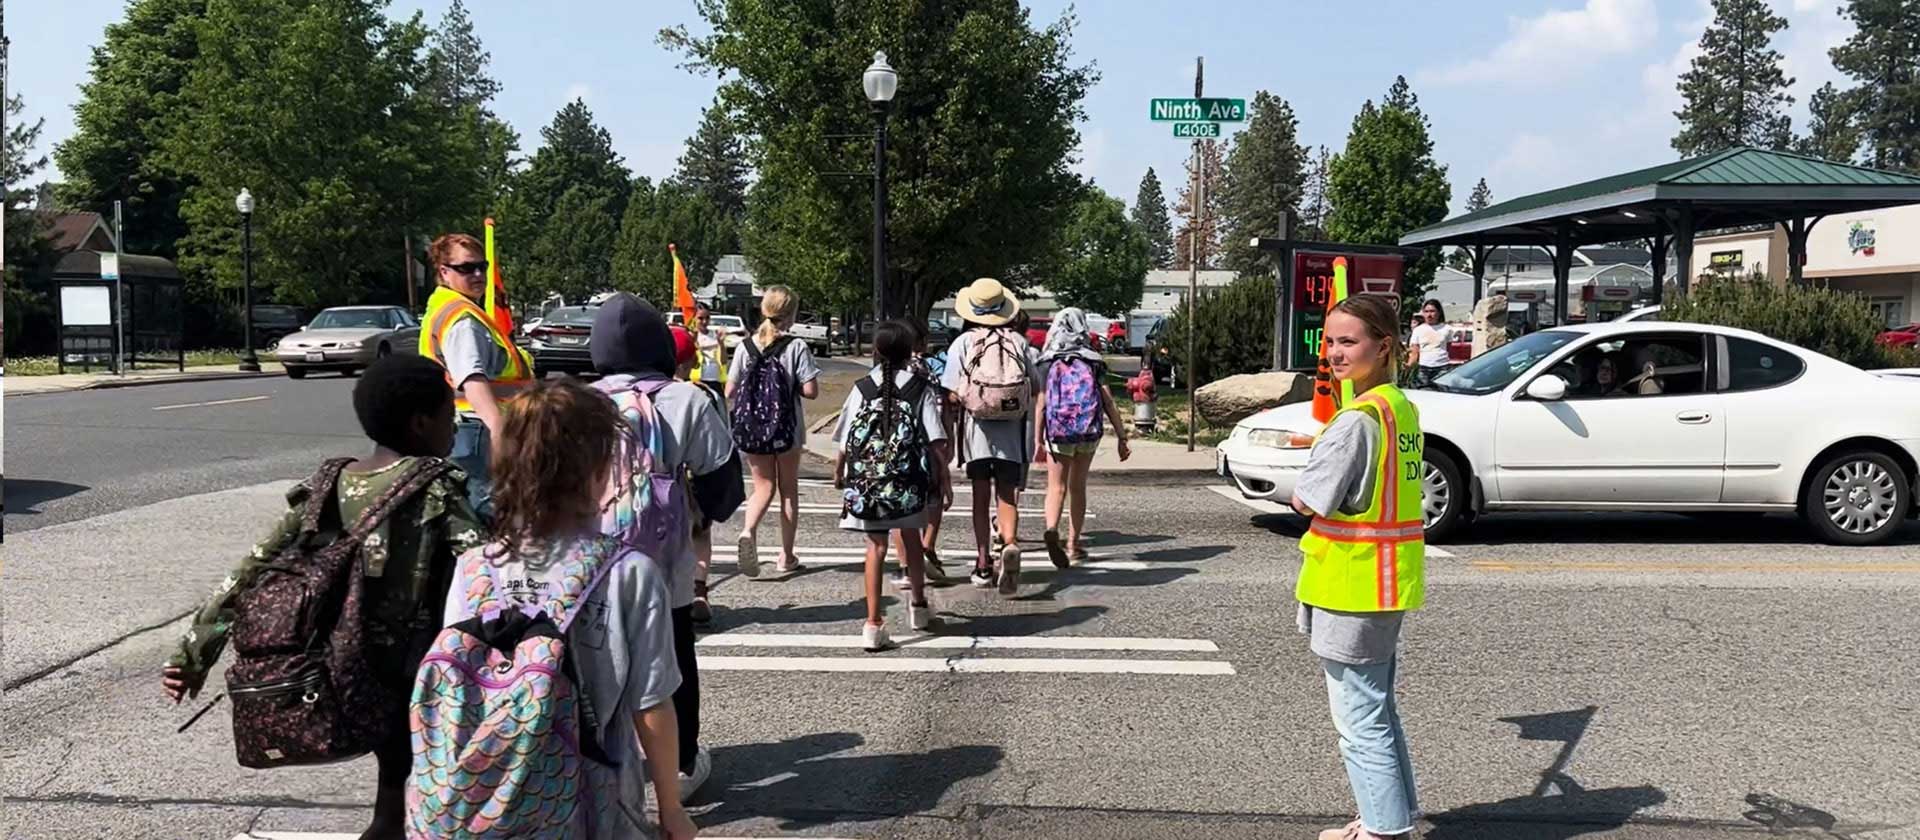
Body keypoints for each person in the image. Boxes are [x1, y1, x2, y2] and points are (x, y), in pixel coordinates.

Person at [163, 355, 486, 840]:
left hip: (336, 657)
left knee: (395, 769)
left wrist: (192, 656)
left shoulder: (328, 483)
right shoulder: (436, 487)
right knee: (404, 765)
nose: (454, 426)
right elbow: (483, 564)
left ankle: (391, 826)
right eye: (448, 415)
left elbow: (250, 570)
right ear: (421, 423)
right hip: (407, 662)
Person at [440, 379, 696, 839]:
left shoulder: (475, 568)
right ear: (597, 469)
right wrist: (671, 807)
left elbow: (455, 683)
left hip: (491, 797)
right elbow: (651, 703)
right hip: (597, 801)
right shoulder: (629, 572)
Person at [1289, 293, 1427, 840]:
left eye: (1348, 341)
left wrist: (1316, 453)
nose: (1334, 353)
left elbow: (1308, 500)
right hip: (1386, 583)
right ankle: (1387, 817)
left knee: (1359, 720)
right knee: (1378, 710)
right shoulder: (1400, 408)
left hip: (1353, 584)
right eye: (1330, 341)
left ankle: (1383, 830)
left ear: (1383, 346)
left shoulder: (1355, 421)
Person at [589, 294, 737, 803]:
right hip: (663, 565)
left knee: (597, 663)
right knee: (671, 665)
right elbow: (722, 487)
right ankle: (681, 765)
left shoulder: (578, 403)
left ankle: (603, 765)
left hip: (590, 566)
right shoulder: (686, 400)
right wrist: (697, 515)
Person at [834, 320, 953, 651]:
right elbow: (936, 441)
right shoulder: (919, 387)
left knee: (875, 548)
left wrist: (840, 471)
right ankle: (918, 606)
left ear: (876, 350)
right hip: (908, 482)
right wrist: (943, 479)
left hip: (868, 484)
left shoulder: (861, 388)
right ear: (909, 352)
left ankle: (873, 624)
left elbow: (845, 439)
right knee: (912, 539)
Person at [418, 233, 536, 521]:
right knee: (490, 513)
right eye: (466, 268)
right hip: (478, 430)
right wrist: (499, 430)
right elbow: (472, 380)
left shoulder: (450, 307)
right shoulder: (462, 320)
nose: (478, 274)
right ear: (444, 272)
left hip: (468, 428)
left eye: (482, 266)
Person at [941, 277, 1041, 596]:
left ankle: (983, 563)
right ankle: (1008, 544)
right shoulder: (1018, 342)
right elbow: (1035, 385)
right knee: (1007, 495)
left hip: (976, 435)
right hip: (1012, 434)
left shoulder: (963, 343)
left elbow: (951, 392)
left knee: (980, 497)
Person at [727, 285, 821, 577]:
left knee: (763, 487)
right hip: (787, 428)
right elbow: (811, 391)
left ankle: (748, 530)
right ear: (790, 314)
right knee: (788, 491)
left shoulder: (745, 347)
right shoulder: (796, 346)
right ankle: (786, 556)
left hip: (753, 429)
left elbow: (730, 390)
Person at [1032, 308, 1132, 568]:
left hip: (1058, 433)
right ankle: (1073, 544)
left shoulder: (1047, 361)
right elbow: (1108, 401)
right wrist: (1121, 437)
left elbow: (1042, 404)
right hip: (1088, 431)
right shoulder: (1093, 360)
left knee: (1056, 487)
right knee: (1078, 487)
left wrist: (1038, 440)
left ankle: (1052, 528)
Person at [894, 319, 951, 587]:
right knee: (934, 499)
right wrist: (948, 442)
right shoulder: (931, 370)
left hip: (900, 446)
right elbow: (943, 406)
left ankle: (906, 565)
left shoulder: (893, 372)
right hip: (930, 442)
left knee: (899, 508)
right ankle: (928, 546)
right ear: (923, 342)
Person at [1405, 299, 1452, 389]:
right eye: (1426, 311)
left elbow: (1450, 349)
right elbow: (1415, 352)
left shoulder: (1447, 329)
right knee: (1423, 392)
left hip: (1442, 367)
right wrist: (1409, 365)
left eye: (1432, 311)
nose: (1429, 315)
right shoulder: (1418, 330)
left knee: (1442, 392)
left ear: (1439, 313)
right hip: (1424, 368)